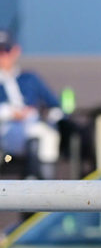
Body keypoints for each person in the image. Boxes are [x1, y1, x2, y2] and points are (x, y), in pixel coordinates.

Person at [0, 30, 62, 178]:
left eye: (5, 51)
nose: (2, 57)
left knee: (45, 134)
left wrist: (45, 114)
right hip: (6, 133)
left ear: (15, 51)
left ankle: (44, 183)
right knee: (31, 134)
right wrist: (10, 113)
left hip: (34, 125)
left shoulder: (29, 78)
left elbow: (55, 106)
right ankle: (32, 179)